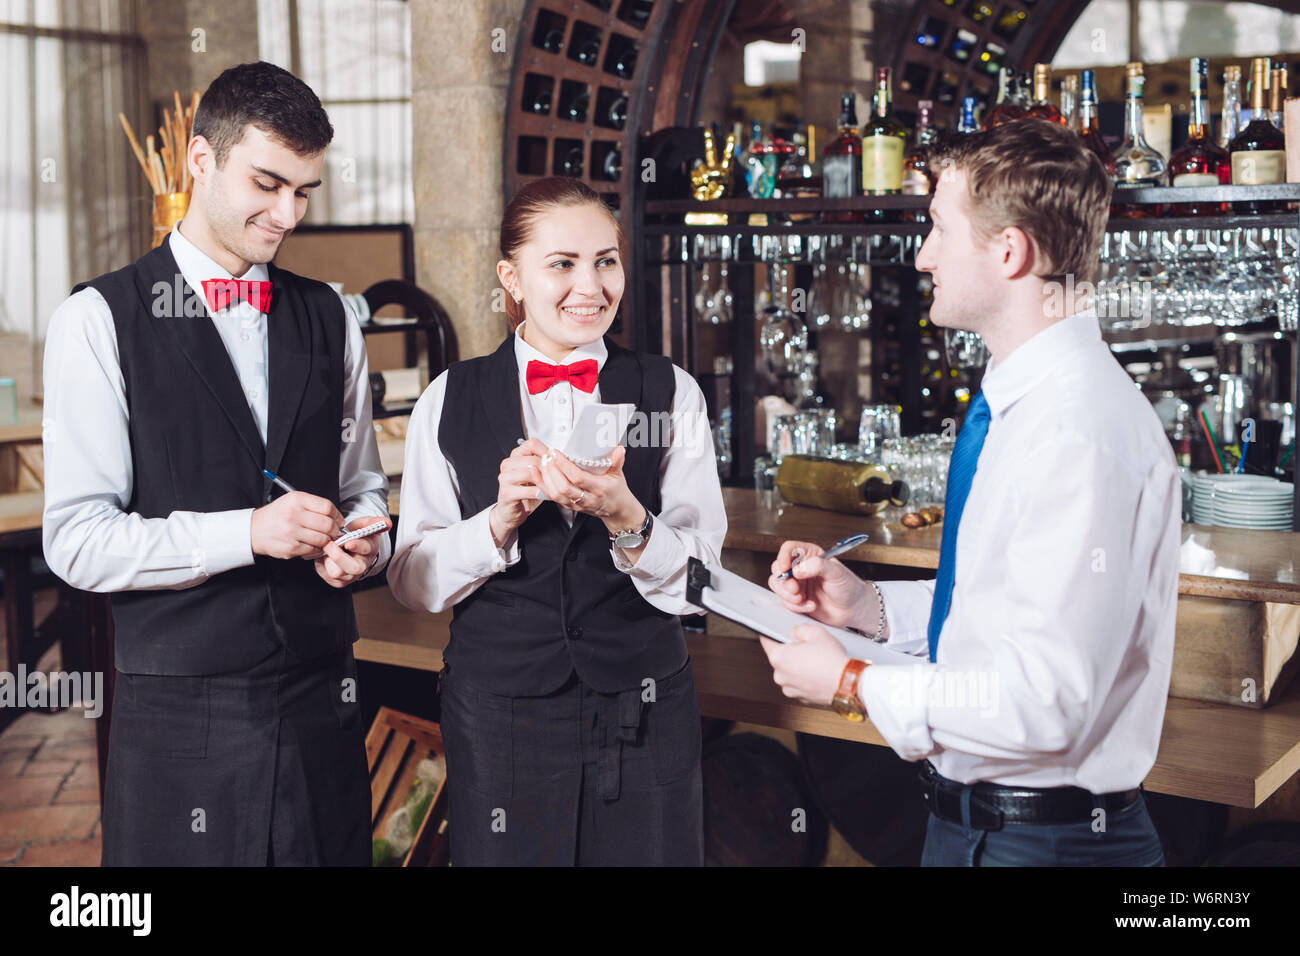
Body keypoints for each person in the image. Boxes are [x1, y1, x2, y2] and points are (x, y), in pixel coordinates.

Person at [760, 120, 1181, 867]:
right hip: (981, 830)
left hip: (1043, 844)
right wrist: (873, 611)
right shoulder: (1023, 402)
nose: (923, 255)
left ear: (1010, 250)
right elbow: (1006, 604)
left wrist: (851, 681)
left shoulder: (1076, 432)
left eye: (938, 228)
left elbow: (1044, 707)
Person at [42, 62, 391, 866]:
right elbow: (78, 541)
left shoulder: (332, 316)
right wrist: (251, 533)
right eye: (267, 183)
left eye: (304, 191)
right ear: (199, 160)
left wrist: (367, 539)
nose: (287, 215)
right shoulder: (95, 320)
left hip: (322, 697)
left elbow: (361, 482)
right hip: (179, 713)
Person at [387, 177, 725, 866]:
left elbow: (702, 582)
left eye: (606, 261)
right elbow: (411, 583)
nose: (591, 286)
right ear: (511, 276)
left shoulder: (672, 391)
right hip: (500, 717)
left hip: (644, 707)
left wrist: (629, 519)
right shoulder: (448, 399)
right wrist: (498, 522)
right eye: (563, 264)